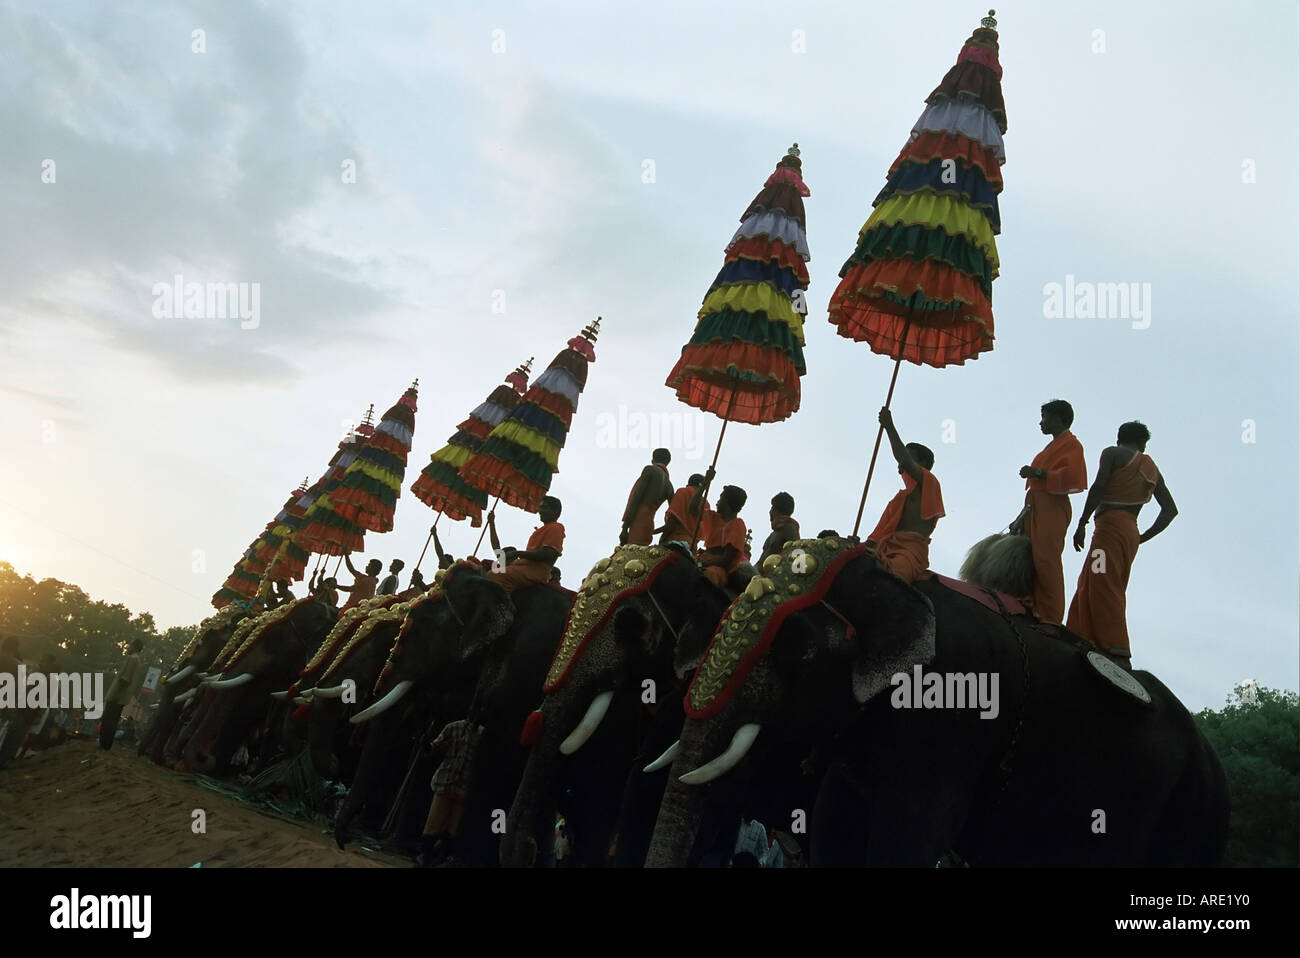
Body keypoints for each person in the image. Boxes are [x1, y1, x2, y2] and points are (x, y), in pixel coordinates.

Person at [1066, 421, 1177, 661]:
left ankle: (1114, 647)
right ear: (1139, 441)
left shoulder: (1113, 453)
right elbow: (1170, 510)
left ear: (1120, 438)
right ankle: (1082, 634)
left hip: (1108, 528)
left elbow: (1098, 487)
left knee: (1101, 579)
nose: (1145, 450)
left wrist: (1082, 522)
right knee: (1096, 578)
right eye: (1145, 443)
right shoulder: (1152, 469)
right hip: (1129, 533)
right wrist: (1141, 537)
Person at [1009, 400, 1087, 623]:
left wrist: (1038, 472)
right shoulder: (1051, 447)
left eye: (1044, 417)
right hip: (1035, 505)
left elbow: (1073, 476)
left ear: (1058, 418)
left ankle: (1051, 616)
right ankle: (1028, 602)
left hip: (1053, 506)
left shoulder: (1072, 444)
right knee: (1028, 554)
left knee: (1046, 559)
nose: (1041, 422)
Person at [866, 408, 944, 583]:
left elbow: (903, 459)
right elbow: (877, 535)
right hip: (884, 547)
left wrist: (889, 426)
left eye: (908, 456)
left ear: (922, 463)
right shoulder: (898, 499)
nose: (901, 463)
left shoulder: (929, 482)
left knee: (892, 581)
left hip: (910, 550)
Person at [419, 718, 485, 867]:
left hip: (459, 787)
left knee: (450, 828)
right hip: (448, 783)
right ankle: (427, 856)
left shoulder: (480, 734)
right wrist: (425, 745)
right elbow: (433, 748)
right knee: (435, 824)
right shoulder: (455, 728)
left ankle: (437, 857)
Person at [486, 497, 565, 593]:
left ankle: (502, 607)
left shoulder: (556, 527)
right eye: (540, 507)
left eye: (544, 507)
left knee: (495, 575)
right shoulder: (514, 565)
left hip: (535, 572)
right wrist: (491, 523)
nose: (539, 510)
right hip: (525, 569)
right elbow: (497, 549)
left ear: (555, 511)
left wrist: (517, 553)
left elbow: (547, 553)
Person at [621, 448, 674, 546]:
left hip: (638, 520)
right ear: (668, 462)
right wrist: (654, 531)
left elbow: (636, 498)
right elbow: (673, 519)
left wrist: (625, 528)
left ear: (652, 460)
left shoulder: (650, 470)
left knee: (630, 555)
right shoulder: (669, 485)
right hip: (649, 525)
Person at [698, 485, 747, 590]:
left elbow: (726, 560)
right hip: (702, 559)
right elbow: (692, 509)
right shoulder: (714, 517)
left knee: (709, 575)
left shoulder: (737, 525)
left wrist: (702, 564)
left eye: (721, 498)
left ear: (727, 502)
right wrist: (704, 484)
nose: (717, 502)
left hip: (718, 570)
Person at [100, 639, 144, 751]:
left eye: (129, 646)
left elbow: (125, 679)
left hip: (117, 696)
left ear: (134, 647)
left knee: (107, 719)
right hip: (123, 697)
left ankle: (103, 744)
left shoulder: (132, 659)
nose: (127, 648)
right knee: (113, 720)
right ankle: (106, 745)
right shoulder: (138, 661)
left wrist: (114, 694)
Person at [658, 470, 712, 549]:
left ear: (688, 484)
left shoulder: (683, 492)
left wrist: (657, 534)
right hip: (691, 547)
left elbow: (672, 521)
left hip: (675, 542)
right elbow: (701, 533)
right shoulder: (706, 503)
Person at [759, 492, 801, 564]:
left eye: (772, 508)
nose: (770, 511)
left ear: (776, 510)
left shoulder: (789, 527)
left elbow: (796, 554)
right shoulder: (773, 534)